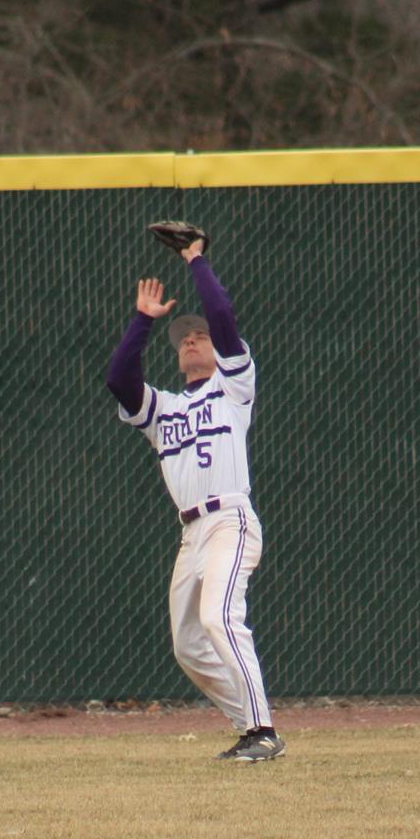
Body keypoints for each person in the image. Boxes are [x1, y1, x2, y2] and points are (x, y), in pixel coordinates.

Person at [104, 225, 282, 762]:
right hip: (192, 534)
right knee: (188, 646)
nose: (190, 339)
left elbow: (223, 318)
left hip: (230, 520)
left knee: (219, 619)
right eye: (183, 338)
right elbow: (119, 379)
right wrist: (142, 321)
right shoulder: (165, 410)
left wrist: (195, 259)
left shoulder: (234, 389)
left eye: (197, 335)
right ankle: (250, 725)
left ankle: (264, 732)